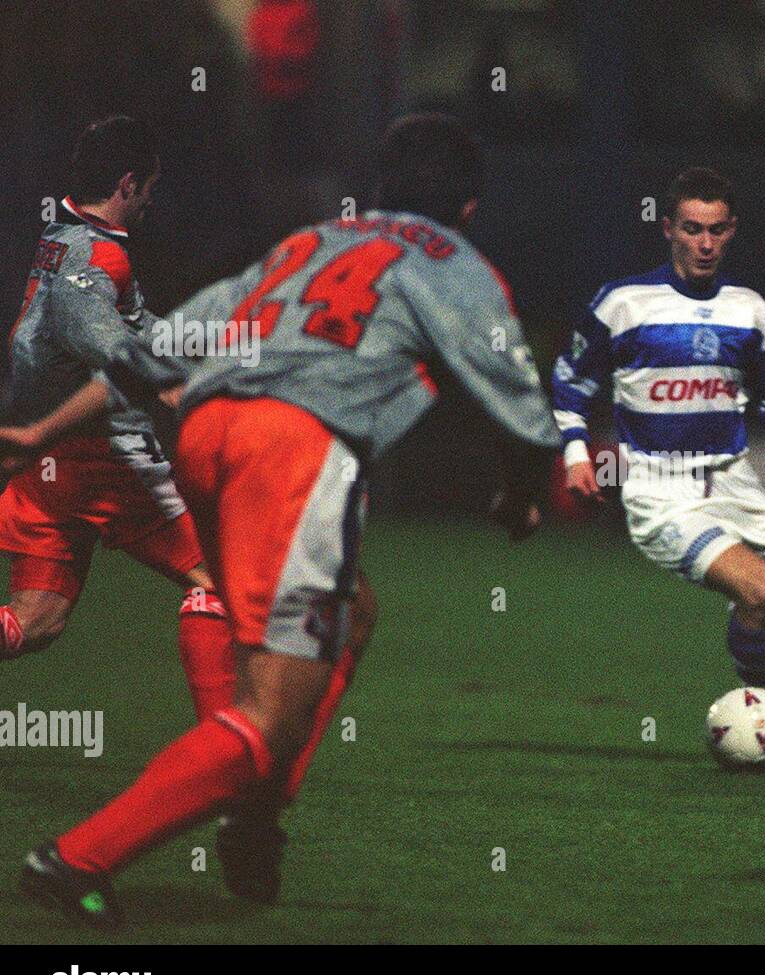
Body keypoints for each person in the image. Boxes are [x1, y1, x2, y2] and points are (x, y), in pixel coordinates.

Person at [17, 112, 561, 929]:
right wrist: (521, 498)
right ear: (471, 208)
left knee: (352, 611)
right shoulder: (454, 261)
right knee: (271, 714)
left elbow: (155, 353)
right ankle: (81, 856)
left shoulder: (309, 242)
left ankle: (252, 810)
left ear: (380, 189)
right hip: (293, 450)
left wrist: (36, 434)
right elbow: (525, 418)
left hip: (205, 436)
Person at [552, 166, 765, 766]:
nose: (704, 243)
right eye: (692, 229)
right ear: (668, 228)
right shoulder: (625, 303)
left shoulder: (748, 310)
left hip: (735, 483)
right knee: (761, 590)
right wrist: (575, 455)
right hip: (659, 490)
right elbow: (570, 384)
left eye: (716, 231)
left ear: (731, 233)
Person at [0, 115, 236, 728]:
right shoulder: (97, 257)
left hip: (47, 468)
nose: (152, 200)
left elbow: (131, 323)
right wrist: (178, 387)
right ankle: (229, 758)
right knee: (223, 577)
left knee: (35, 620)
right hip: (101, 460)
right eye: (149, 188)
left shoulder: (63, 236)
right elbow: (109, 342)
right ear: (128, 184)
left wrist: (206, 343)